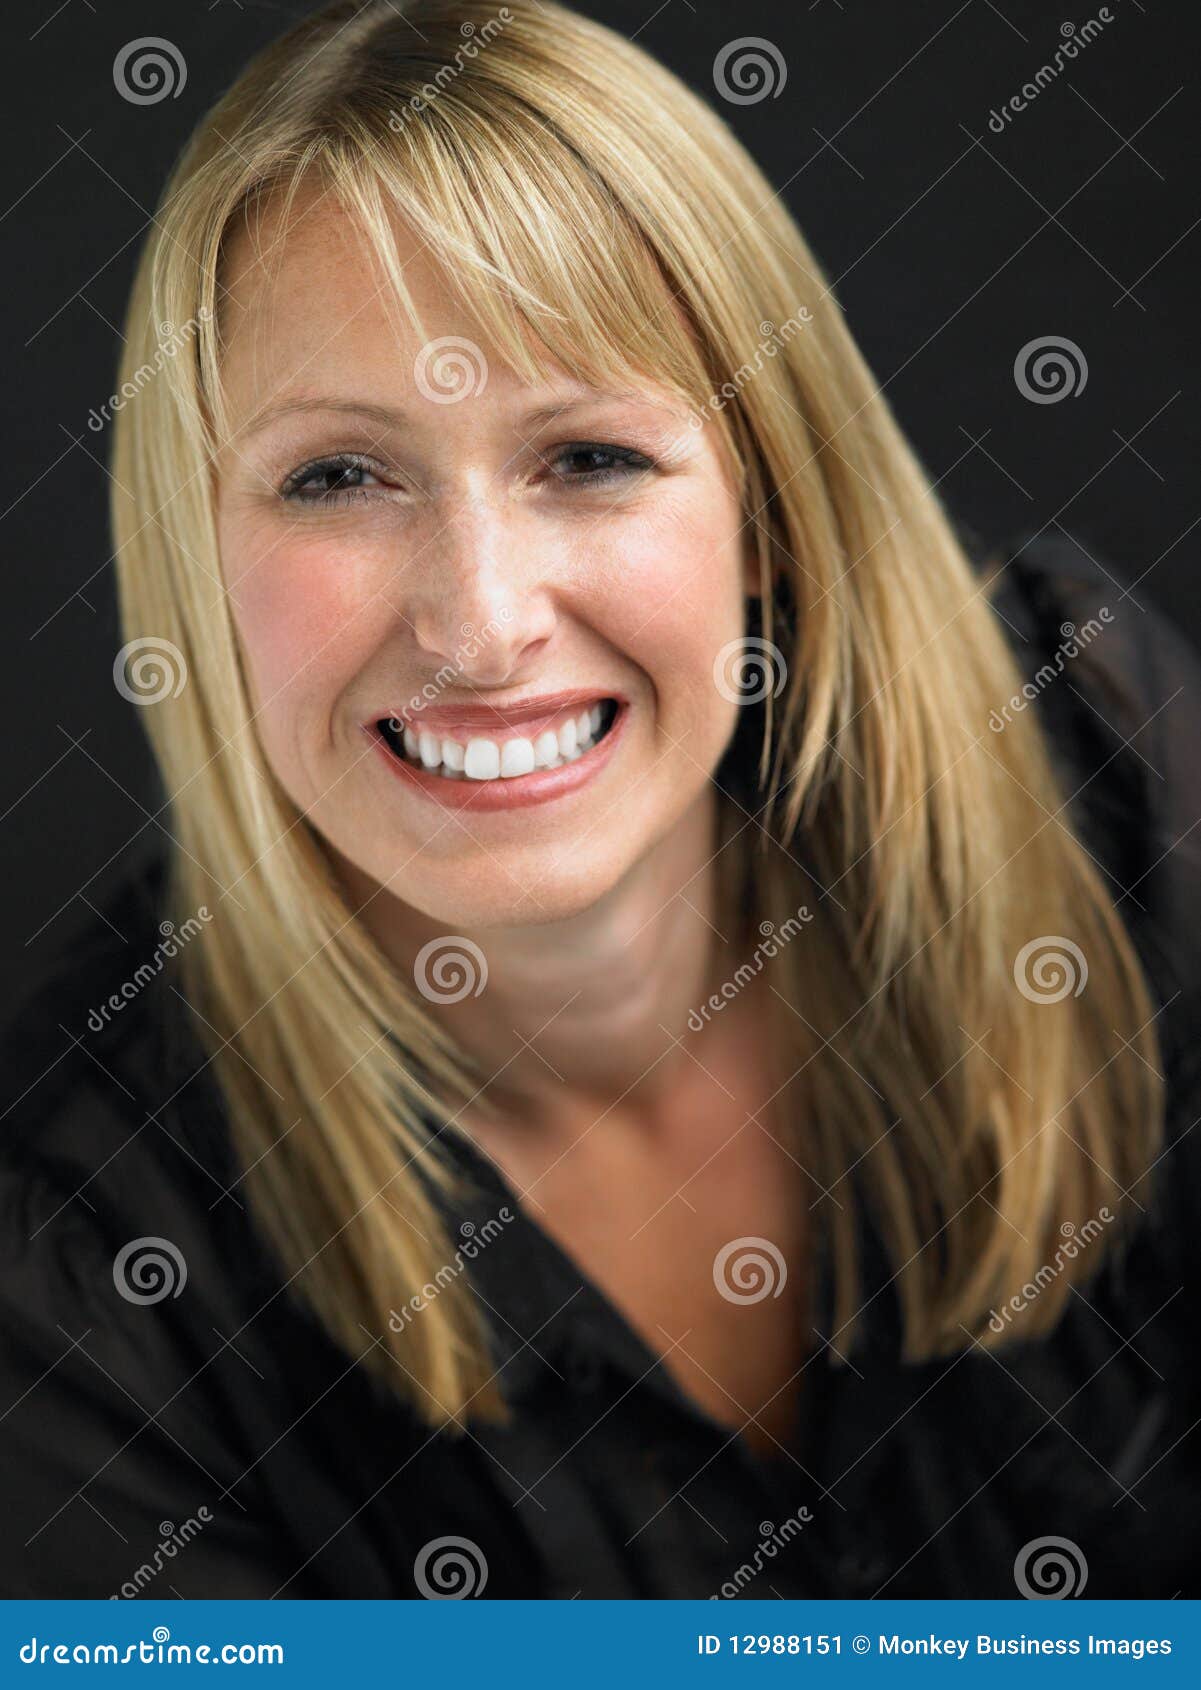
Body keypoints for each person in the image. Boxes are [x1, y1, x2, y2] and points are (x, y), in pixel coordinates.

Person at [2, 0, 1199, 1599]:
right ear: (198, 557)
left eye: (586, 458)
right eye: (338, 476)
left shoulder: (1105, 766)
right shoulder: (69, 1266)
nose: (479, 623)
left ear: (770, 512)